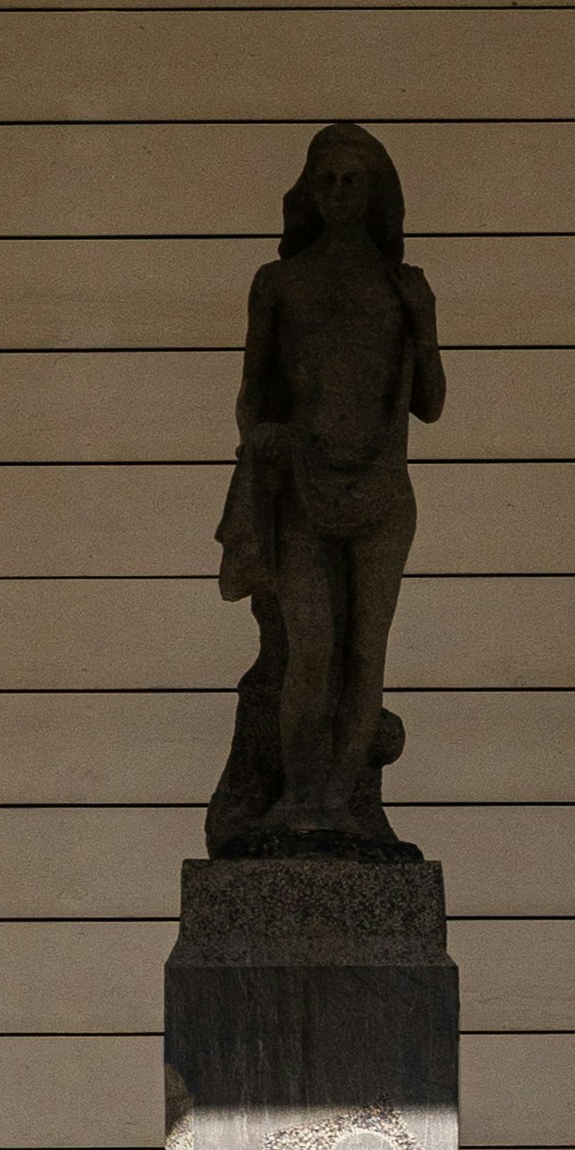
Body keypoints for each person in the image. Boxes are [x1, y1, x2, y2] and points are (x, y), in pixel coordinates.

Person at [206, 117, 448, 853]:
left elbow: (430, 404)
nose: (341, 193)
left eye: (354, 180)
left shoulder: (400, 287)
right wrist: (268, 439)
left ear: (376, 193)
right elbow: (251, 398)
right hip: (306, 483)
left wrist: (425, 322)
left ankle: (347, 803)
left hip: (382, 490)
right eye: (329, 180)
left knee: (366, 650)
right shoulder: (280, 282)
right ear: (311, 192)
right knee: (310, 644)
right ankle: (302, 797)